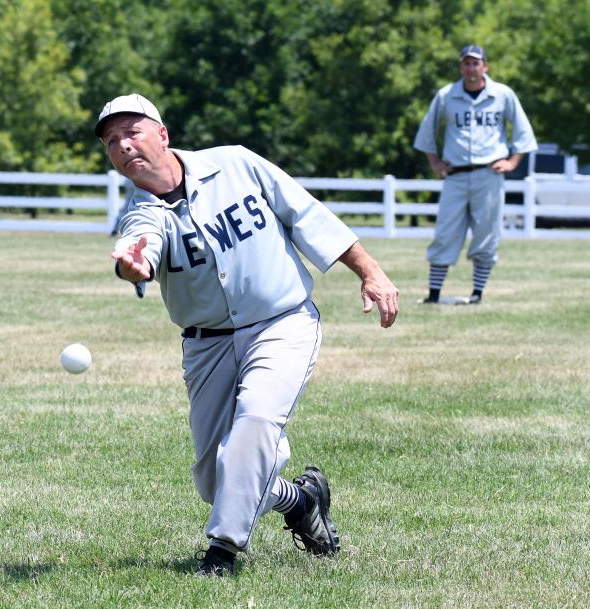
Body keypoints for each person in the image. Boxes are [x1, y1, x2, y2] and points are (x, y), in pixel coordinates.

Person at [96, 93, 399, 576]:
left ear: (163, 134)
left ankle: (221, 554)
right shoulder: (140, 212)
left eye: (131, 131)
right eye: (112, 141)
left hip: (281, 321)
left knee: (256, 421)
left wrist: (371, 271)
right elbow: (142, 249)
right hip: (207, 343)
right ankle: (300, 501)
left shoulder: (235, 164)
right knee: (218, 482)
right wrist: (134, 268)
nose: (123, 144)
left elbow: (306, 214)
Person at [413, 44, 537, 304]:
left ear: (485, 66)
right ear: (461, 67)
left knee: (487, 234)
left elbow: (524, 132)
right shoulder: (447, 95)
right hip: (455, 175)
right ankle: (434, 295)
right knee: (445, 232)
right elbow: (427, 132)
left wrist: (513, 162)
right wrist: (434, 163)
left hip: (488, 174)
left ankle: (477, 294)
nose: (471, 68)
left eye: (476, 63)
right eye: (467, 63)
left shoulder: (502, 94)